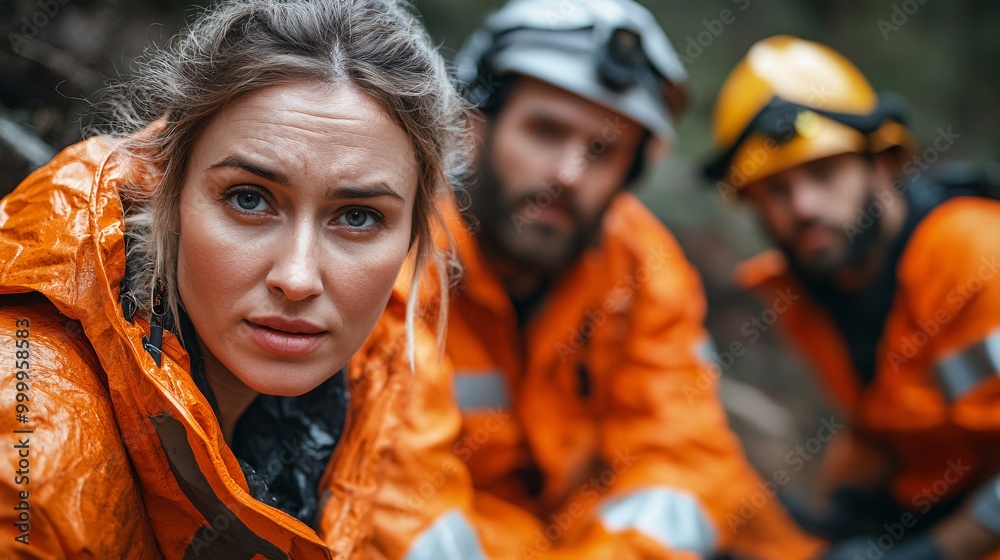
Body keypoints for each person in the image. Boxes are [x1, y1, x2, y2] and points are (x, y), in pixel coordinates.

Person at [0, 0, 468, 557]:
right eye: (249, 199)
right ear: (164, 188)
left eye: (358, 216)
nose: (296, 279)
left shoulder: (389, 385)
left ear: (414, 235)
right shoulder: (30, 452)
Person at [365, 1, 824, 558]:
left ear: (629, 176)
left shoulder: (644, 266)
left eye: (602, 150)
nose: (568, 174)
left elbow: (688, 458)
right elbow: (400, 496)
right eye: (545, 130)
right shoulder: (397, 253)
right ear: (474, 126)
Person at [705, 35, 1000, 560]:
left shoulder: (978, 261)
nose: (804, 206)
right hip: (918, 503)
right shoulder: (805, 285)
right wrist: (845, 507)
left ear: (880, 162)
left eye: (823, 173)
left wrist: (937, 550)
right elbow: (883, 420)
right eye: (776, 189)